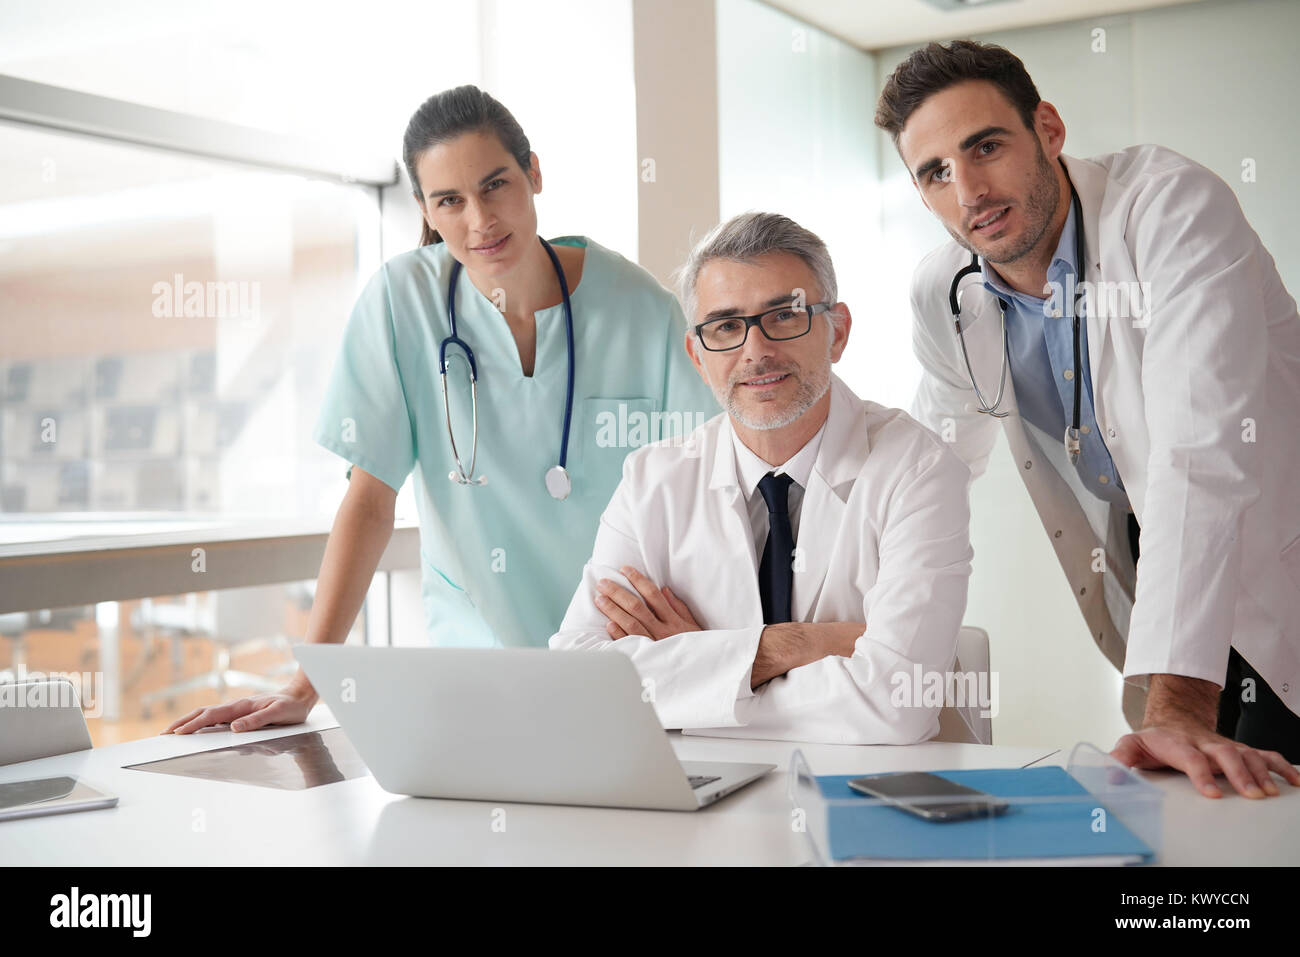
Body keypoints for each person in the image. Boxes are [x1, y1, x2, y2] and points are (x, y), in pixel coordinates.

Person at [165, 85, 717, 735]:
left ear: (533, 173)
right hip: (476, 671)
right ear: (425, 207)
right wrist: (305, 684)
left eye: (496, 185)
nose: (479, 219)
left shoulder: (639, 308)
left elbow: (707, 485)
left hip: (623, 657)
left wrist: (709, 641)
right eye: (449, 201)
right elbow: (370, 502)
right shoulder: (402, 303)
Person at [876, 40, 1300, 796]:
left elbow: (1197, 458)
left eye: (986, 146)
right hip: (1164, 563)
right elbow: (931, 466)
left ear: (1049, 128)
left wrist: (1176, 704)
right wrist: (837, 636)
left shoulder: (1172, 209)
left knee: (1260, 802)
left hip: (1276, 542)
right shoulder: (944, 292)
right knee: (1202, 808)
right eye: (935, 172)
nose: (968, 189)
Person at [549, 212, 973, 744]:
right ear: (697, 358)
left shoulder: (918, 469)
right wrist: (791, 646)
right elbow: (579, 681)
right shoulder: (651, 479)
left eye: (784, 315)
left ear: (837, 331)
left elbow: (898, 703)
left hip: (876, 795)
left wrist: (700, 676)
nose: (756, 351)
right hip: (711, 800)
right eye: (725, 326)